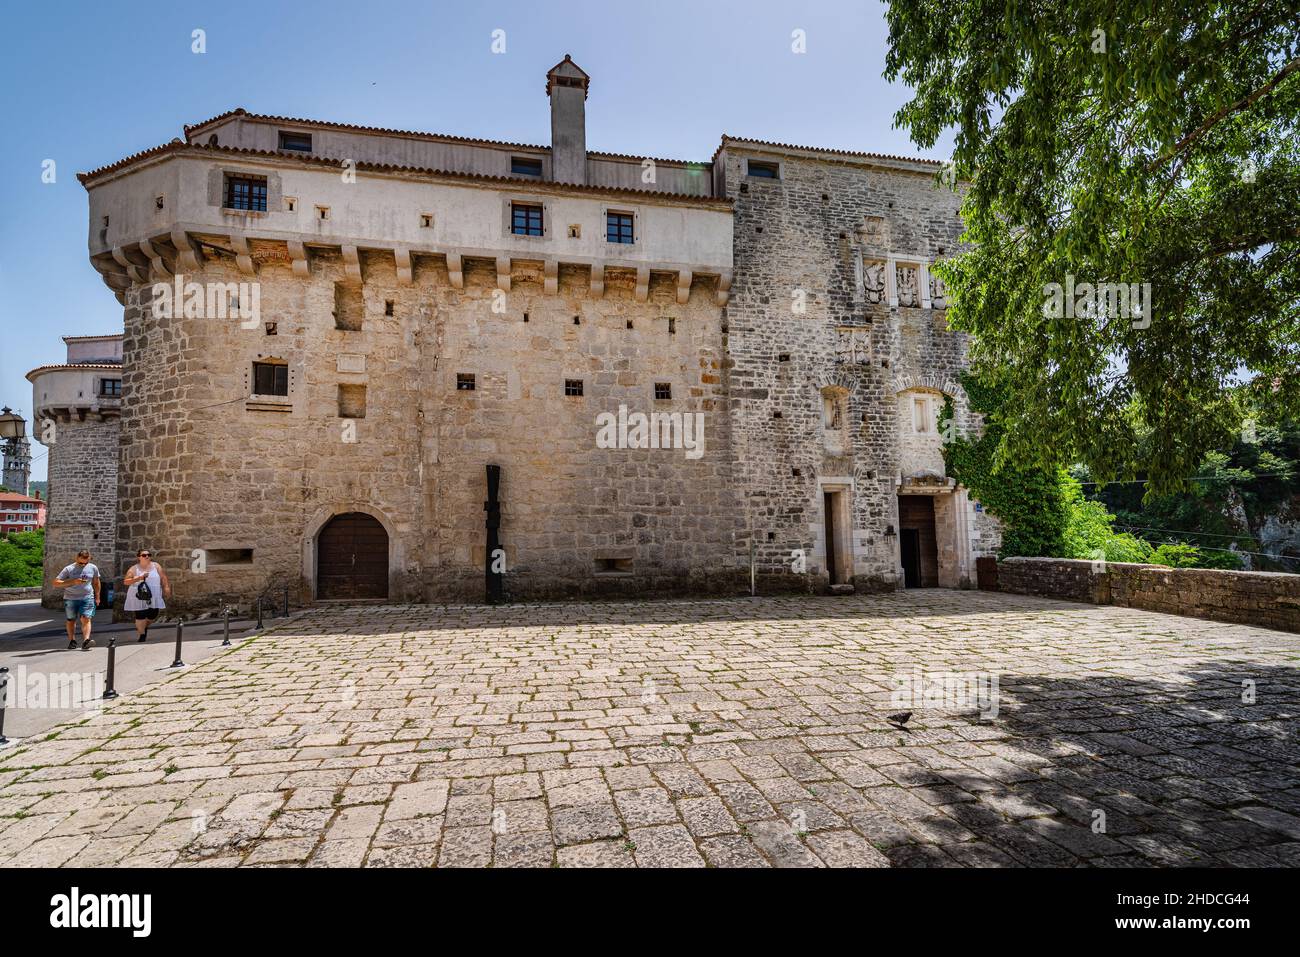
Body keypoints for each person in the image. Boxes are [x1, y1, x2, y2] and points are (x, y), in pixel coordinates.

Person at [53, 550, 100, 650]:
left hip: (87, 597)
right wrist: (73, 581)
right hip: (70, 598)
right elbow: (56, 583)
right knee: (71, 620)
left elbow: (96, 582)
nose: (83, 565)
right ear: (76, 558)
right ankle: (72, 640)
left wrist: (98, 596)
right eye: (81, 563)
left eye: (85, 563)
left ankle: (86, 640)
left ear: (89, 559)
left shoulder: (93, 568)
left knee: (86, 618)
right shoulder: (69, 569)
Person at [123, 549, 170, 642]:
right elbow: (126, 581)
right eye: (144, 555)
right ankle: (142, 635)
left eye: (148, 554)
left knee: (153, 614)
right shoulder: (134, 568)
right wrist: (139, 577)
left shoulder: (156, 566)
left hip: (154, 595)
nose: (147, 556)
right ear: (139, 557)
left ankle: (143, 627)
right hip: (139, 595)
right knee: (140, 615)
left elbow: (163, 577)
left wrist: (166, 588)